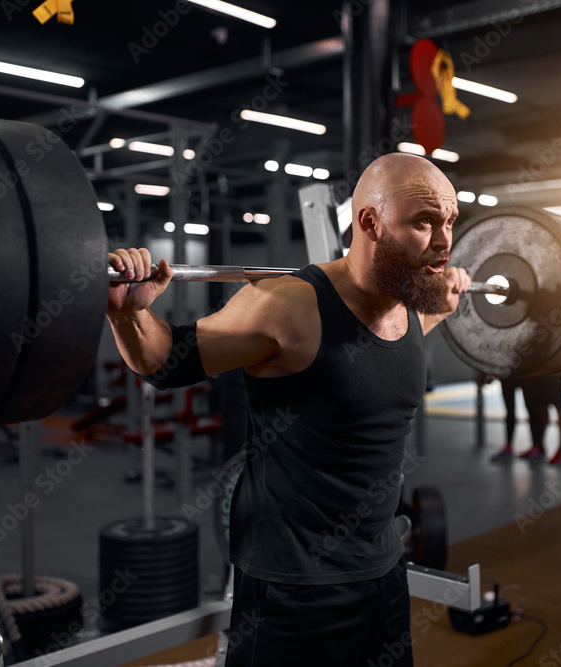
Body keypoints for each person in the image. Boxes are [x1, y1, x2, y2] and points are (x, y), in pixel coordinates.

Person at [105, 152, 471, 667]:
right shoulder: (288, 306)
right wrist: (131, 311)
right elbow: (163, 360)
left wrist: (445, 296)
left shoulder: (409, 306)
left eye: (450, 221)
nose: (444, 240)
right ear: (369, 222)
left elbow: (391, 347)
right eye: (425, 222)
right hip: (294, 587)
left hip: (383, 573)